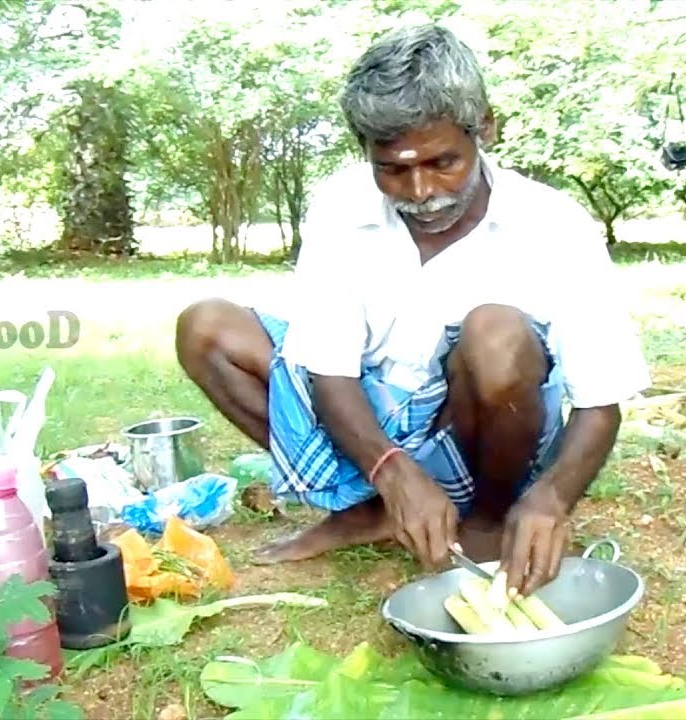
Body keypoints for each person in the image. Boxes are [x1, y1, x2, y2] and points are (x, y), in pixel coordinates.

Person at [175, 24, 651, 596]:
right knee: (205, 326)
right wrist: (391, 472)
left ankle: (488, 521)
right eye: (392, 170)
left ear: (486, 130)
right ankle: (373, 509)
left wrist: (550, 499)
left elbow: (602, 400)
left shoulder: (554, 226)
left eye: (442, 161)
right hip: (371, 417)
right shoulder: (340, 208)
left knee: (494, 331)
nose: (420, 191)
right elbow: (329, 370)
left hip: (484, 429)